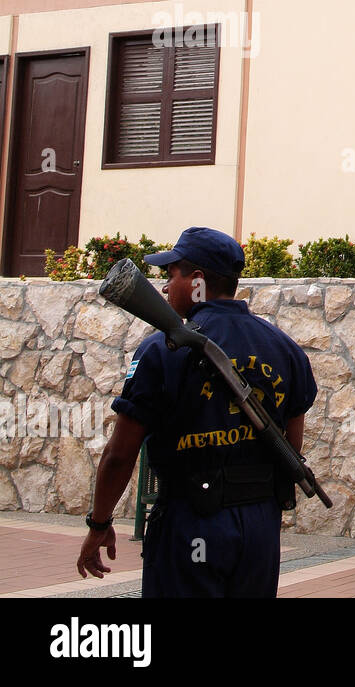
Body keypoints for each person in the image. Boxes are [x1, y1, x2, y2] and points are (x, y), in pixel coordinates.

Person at [76, 226, 318, 597]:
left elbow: (120, 455)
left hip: (191, 521)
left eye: (172, 274)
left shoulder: (160, 350)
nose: (165, 286)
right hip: (258, 527)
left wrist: (99, 522)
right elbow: (291, 442)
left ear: (199, 281)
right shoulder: (285, 348)